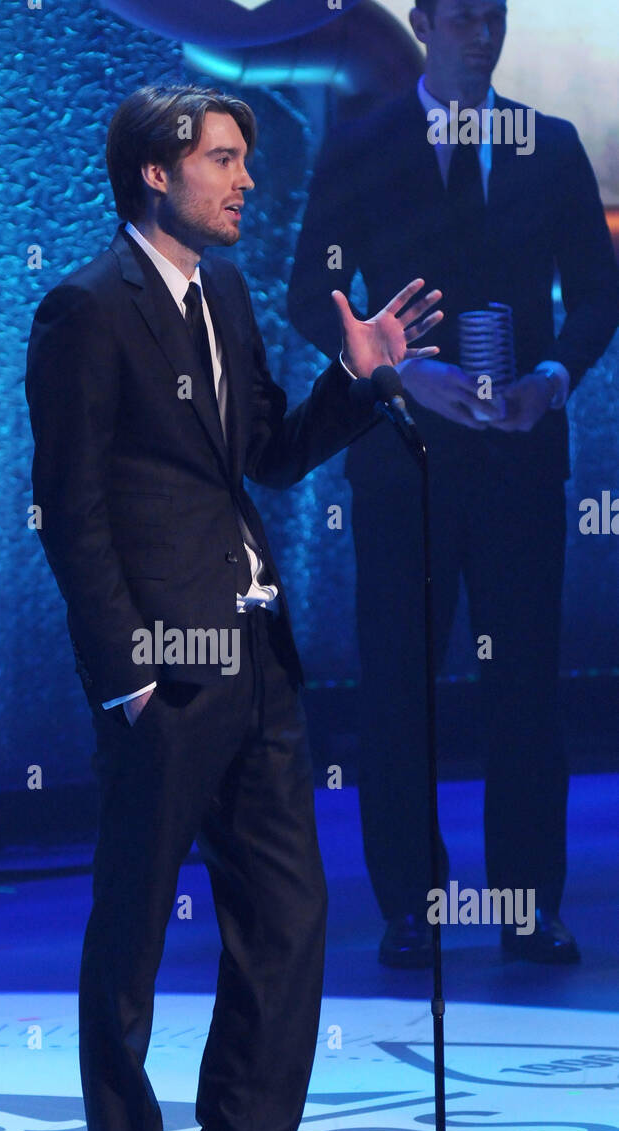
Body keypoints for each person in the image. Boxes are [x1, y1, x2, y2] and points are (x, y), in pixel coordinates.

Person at [25, 83, 442, 1131]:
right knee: (132, 932)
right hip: (165, 669)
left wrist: (357, 384)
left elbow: (262, 452)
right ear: (155, 173)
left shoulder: (229, 295)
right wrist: (127, 675)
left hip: (257, 658)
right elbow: (71, 511)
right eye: (220, 158)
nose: (243, 180)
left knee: (288, 918)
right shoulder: (84, 311)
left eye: (243, 159)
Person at [289, 0, 619, 969]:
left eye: (493, 19)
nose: (481, 36)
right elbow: (313, 291)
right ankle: (410, 907)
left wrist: (550, 380)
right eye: (462, 19)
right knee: (397, 690)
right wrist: (397, 373)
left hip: (516, 454)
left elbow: (597, 293)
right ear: (422, 23)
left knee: (524, 686)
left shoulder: (548, 146)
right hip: (400, 457)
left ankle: (527, 906)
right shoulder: (360, 143)